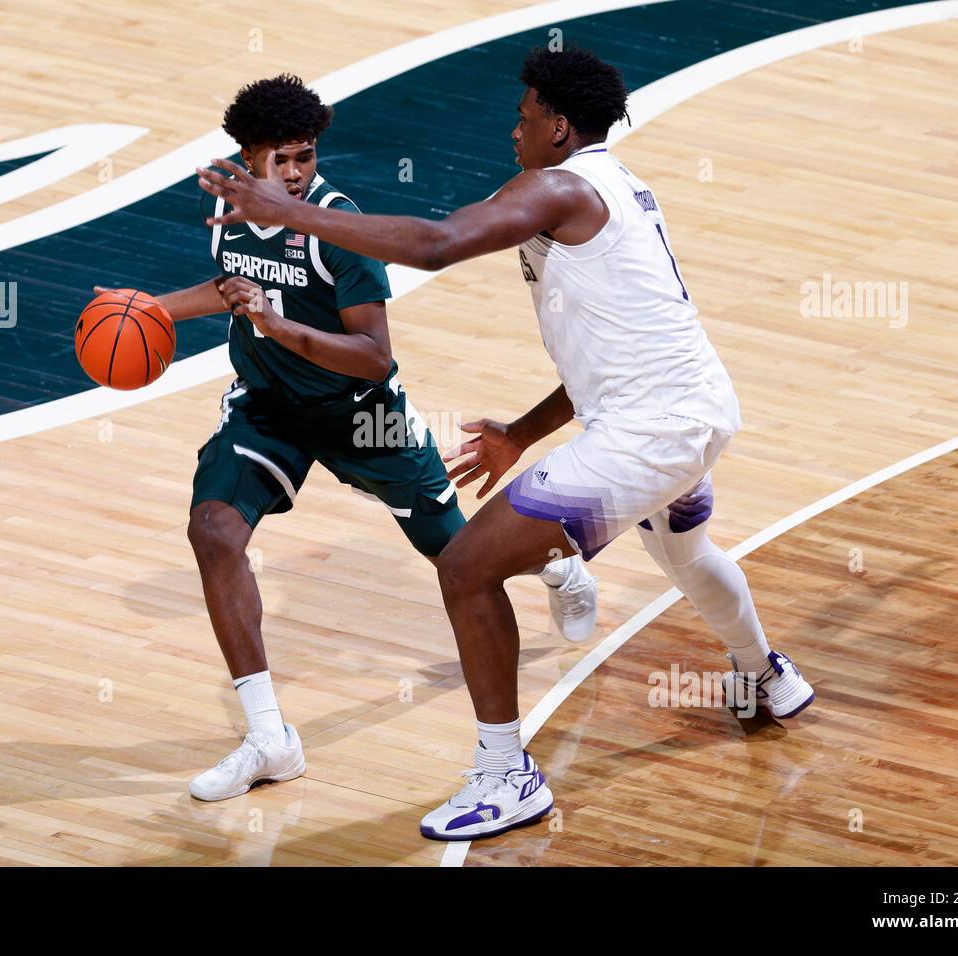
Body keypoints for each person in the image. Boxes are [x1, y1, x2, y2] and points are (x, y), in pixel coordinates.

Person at [197, 49, 815, 841]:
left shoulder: (554, 186)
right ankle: (764, 676)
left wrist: (292, 214)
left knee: (467, 566)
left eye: (525, 117)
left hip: (650, 430)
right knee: (686, 554)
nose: (512, 128)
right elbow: (617, 352)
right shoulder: (614, 185)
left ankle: (506, 775)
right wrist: (521, 434)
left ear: (558, 128)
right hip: (689, 408)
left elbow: (434, 244)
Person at [104, 74, 597, 804]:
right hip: (269, 407)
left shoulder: (338, 227)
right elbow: (233, 288)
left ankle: (557, 564)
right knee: (213, 530)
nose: (297, 173)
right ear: (248, 157)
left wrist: (282, 328)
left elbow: (374, 355)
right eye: (283, 160)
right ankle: (270, 738)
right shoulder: (226, 208)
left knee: (456, 554)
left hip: (362, 415)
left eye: (306, 157)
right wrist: (146, 311)